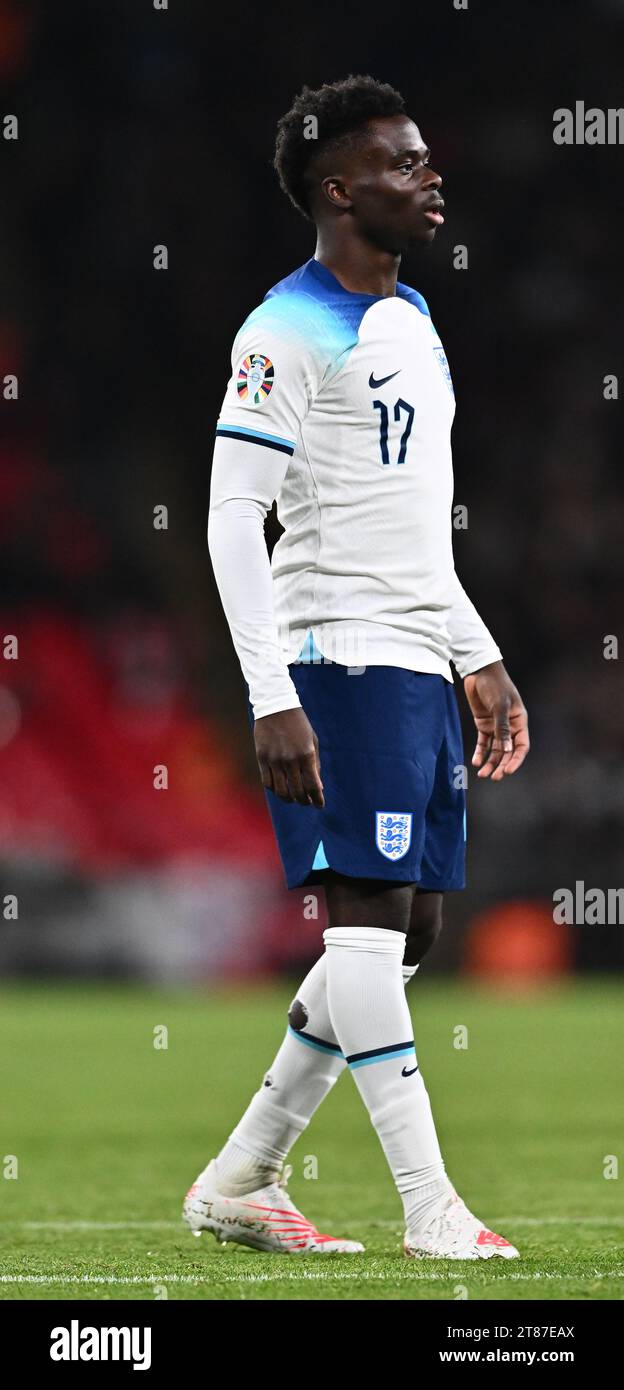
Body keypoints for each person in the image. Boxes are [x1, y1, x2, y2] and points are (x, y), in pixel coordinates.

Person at [185, 75, 530, 1259]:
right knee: (370, 932)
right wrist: (270, 692)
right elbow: (234, 518)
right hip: (334, 657)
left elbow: (415, 528)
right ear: (341, 189)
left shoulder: (413, 322)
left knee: (413, 929)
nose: (430, 177)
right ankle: (430, 1206)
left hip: (415, 659)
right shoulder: (284, 330)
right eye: (404, 163)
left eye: (428, 158)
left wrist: (475, 653)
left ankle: (243, 1172)